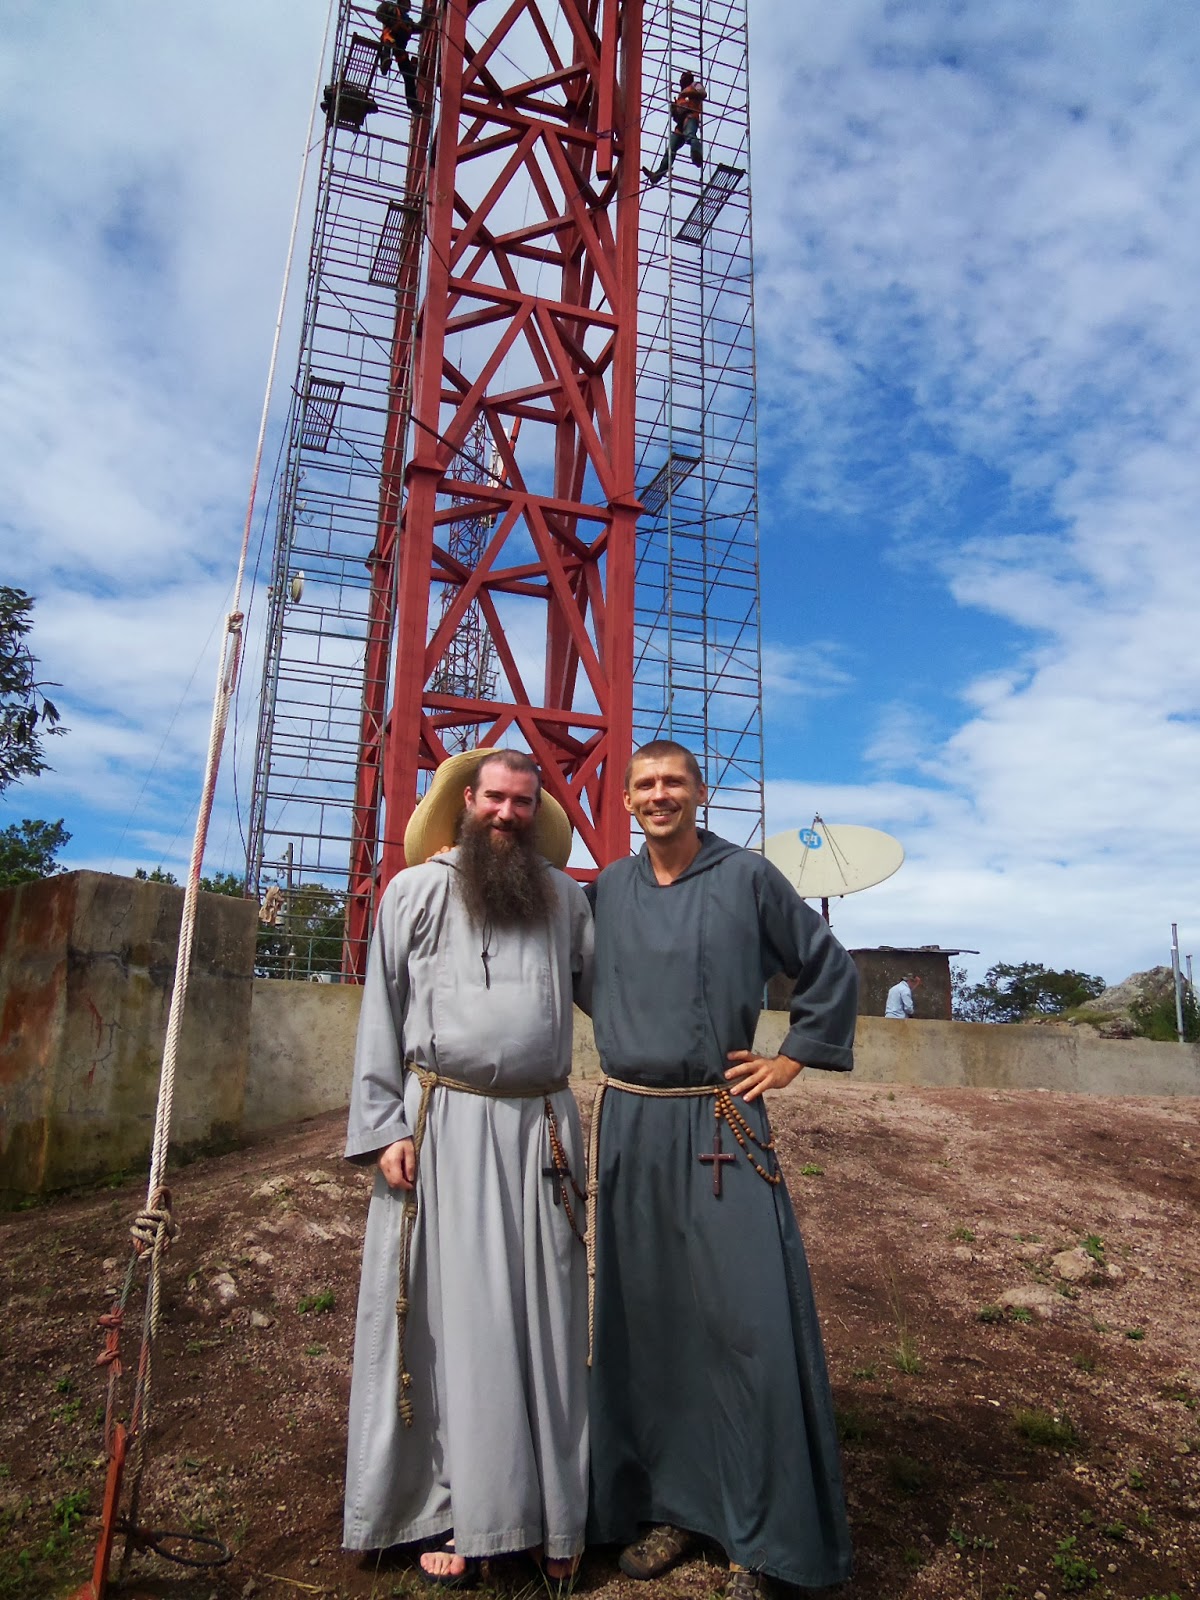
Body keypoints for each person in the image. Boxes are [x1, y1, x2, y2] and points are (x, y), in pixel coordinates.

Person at [586, 740, 857, 1599]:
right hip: (630, 1122)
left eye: (674, 783)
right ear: (627, 801)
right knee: (648, 1325)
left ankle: (763, 1537)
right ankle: (669, 1505)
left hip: (721, 1120)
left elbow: (828, 965)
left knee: (749, 1330)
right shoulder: (605, 893)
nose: (659, 796)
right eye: (644, 785)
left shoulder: (749, 878)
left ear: (699, 794)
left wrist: (789, 1059)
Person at [343, 748, 593, 1585]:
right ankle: (448, 1509)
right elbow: (380, 1012)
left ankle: (550, 1513)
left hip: (543, 1132)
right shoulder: (412, 893)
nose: (508, 814)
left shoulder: (565, 900)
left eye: (524, 802)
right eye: (495, 798)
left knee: (548, 1320)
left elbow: (625, 997)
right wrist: (383, 1128)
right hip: (440, 1126)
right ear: (465, 801)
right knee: (448, 1324)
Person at [642, 70, 706, 185]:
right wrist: (674, 110)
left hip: (691, 116)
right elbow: (676, 115)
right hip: (680, 123)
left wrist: (686, 94)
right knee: (670, 149)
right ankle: (657, 175)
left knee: (690, 135)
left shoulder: (694, 86)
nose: (682, 81)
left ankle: (697, 155)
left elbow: (703, 94)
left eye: (684, 77)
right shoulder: (680, 97)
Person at [376, 1, 424, 115]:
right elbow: (378, 14)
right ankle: (384, 63)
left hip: (400, 50)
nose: (409, 6)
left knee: (409, 75)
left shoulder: (407, 21)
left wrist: (428, 15)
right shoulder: (391, 8)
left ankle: (413, 104)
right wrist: (390, 21)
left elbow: (419, 28)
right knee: (387, 45)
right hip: (390, 37)